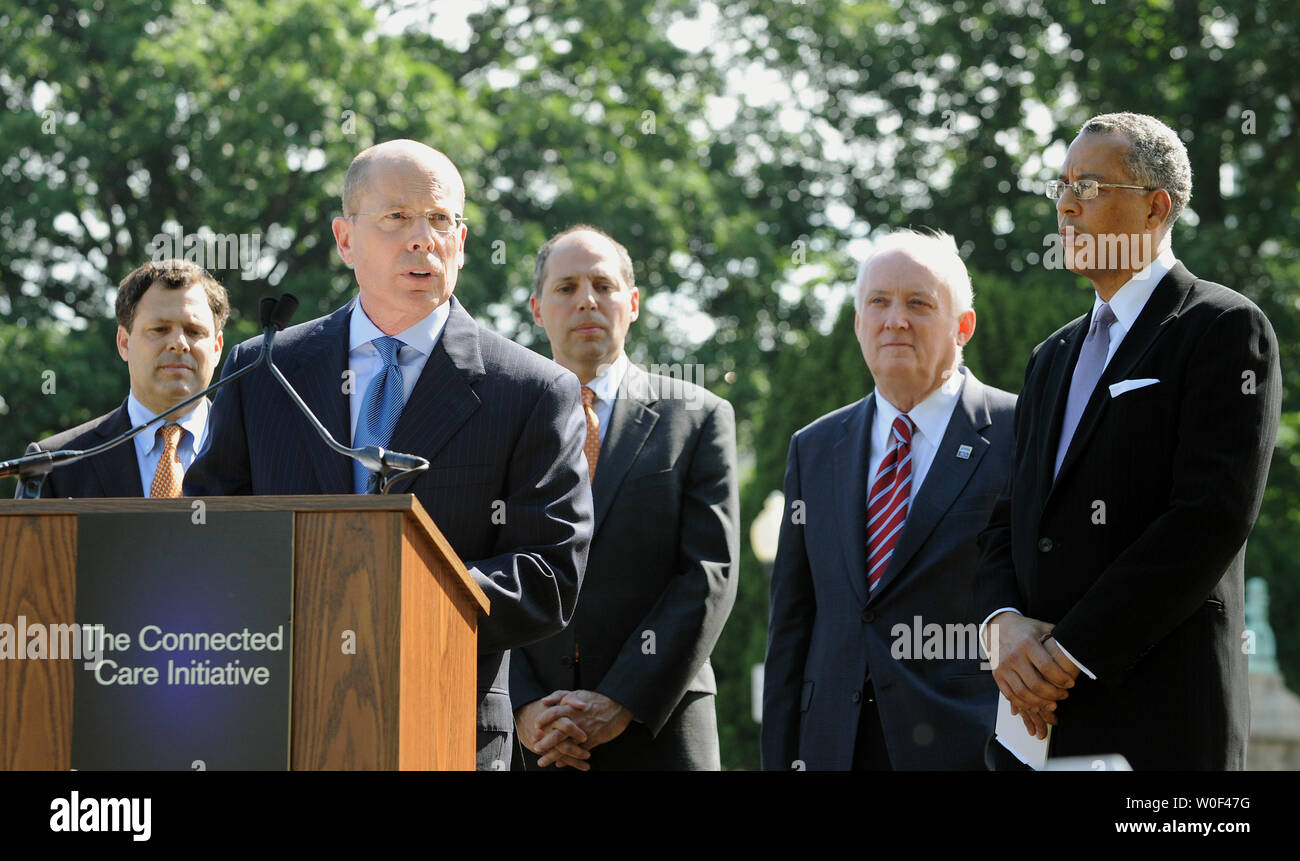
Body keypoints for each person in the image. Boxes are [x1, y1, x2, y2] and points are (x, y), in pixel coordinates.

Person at [184, 140, 593, 771]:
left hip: (443, 722)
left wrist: (395, 598)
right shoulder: (264, 368)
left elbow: (549, 575)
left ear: (460, 238)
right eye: (396, 218)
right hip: (276, 721)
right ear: (345, 239)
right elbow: (209, 529)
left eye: (441, 220)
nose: (422, 239)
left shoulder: (532, 390)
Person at [977, 112, 1281, 770]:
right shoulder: (1048, 357)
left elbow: (1207, 517)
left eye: (1087, 186)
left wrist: (1069, 651)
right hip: (1030, 730)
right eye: (1059, 185)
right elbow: (1008, 516)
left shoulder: (1223, 328)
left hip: (1157, 727)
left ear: (1156, 207)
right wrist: (1001, 622)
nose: (1064, 205)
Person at [762, 229, 1015, 770]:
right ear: (859, 324)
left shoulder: (1020, 432)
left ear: (962, 326)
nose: (895, 319)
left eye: (919, 304)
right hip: (833, 747)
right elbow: (791, 625)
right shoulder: (813, 447)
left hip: (971, 747)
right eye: (878, 302)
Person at [511, 226, 739, 770]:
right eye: (565, 288)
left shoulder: (699, 417)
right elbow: (477, 567)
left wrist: (620, 700)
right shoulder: (504, 422)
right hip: (532, 738)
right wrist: (521, 702)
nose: (587, 300)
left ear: (632, 303)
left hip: (659, 727)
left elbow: (707, 574)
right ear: (538, 309)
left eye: (603, 285)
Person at [21, 259, 228, 498]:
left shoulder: (260, 455)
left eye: (194, 331)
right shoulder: (54, 466)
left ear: (216, 347)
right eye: (160, 329)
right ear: (124, 343)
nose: (179, 344)